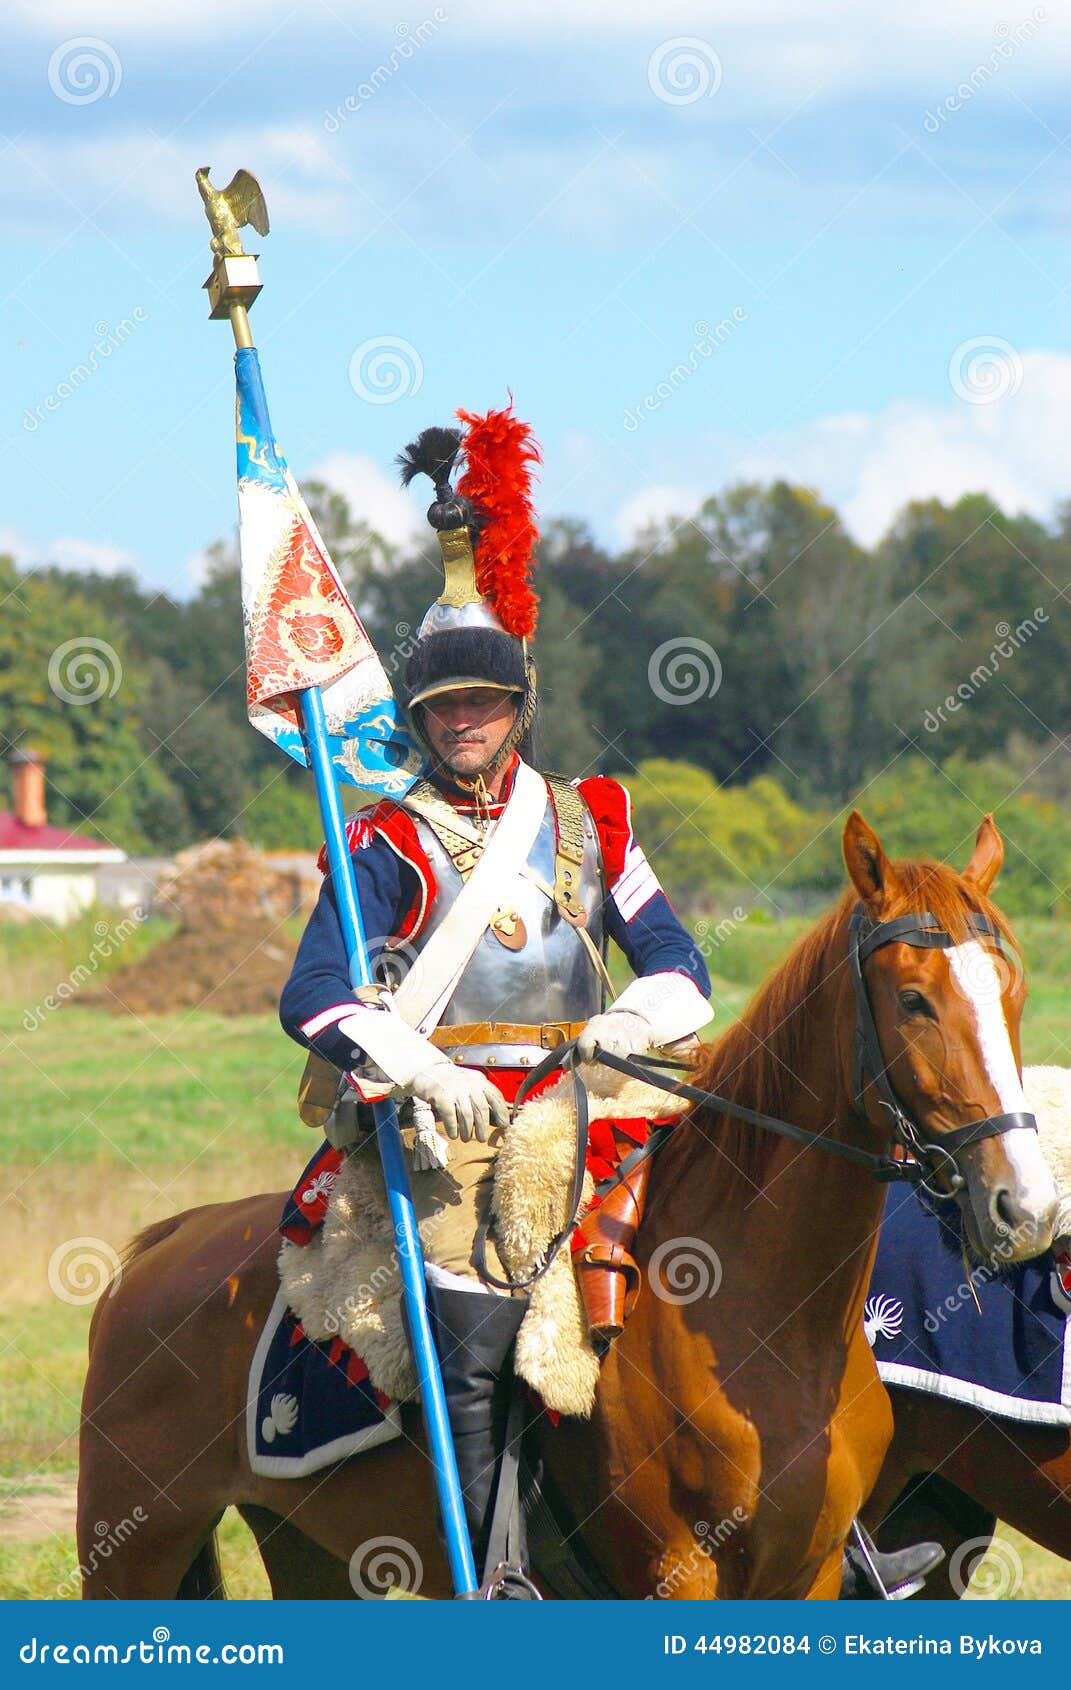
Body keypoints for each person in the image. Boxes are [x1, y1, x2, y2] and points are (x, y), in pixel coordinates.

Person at [278, 403, 939, 1601]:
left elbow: (675, 955)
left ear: (517, 704)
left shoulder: (593, 816)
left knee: (769, 1240)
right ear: (419, 723)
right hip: (456, 1124)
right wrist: (425, 1070)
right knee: (480, 1324)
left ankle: (820, 1515)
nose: (463, 723)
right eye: (441, 710)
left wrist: (640, 1017)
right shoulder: (383, 841)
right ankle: (492, 1573)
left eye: (481, 703)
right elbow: (316, 993)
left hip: (597, 1085)